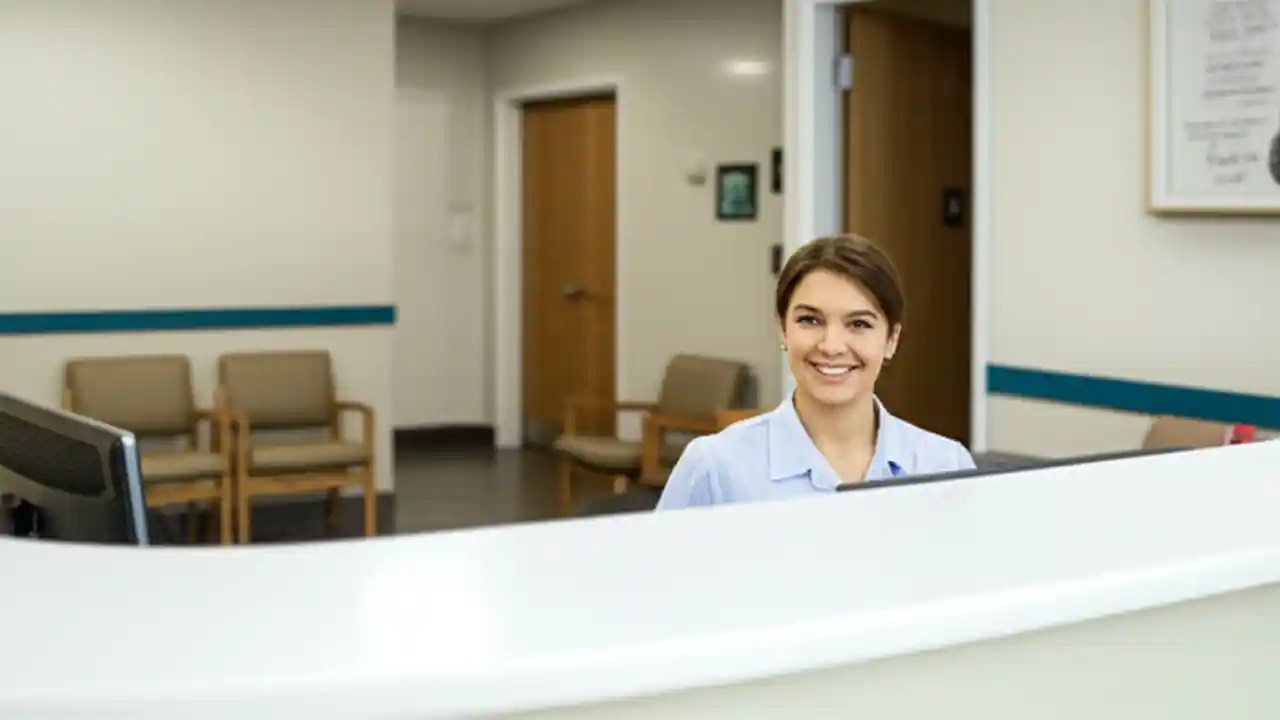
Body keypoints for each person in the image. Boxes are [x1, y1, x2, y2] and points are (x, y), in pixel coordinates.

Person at [655, 234, 975, 510]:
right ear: (782, 328)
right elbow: (659, 578)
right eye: (810, 320)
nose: (831, 345)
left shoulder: (946, 464)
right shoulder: (716, 467)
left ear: (891, 340)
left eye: (859, 324)